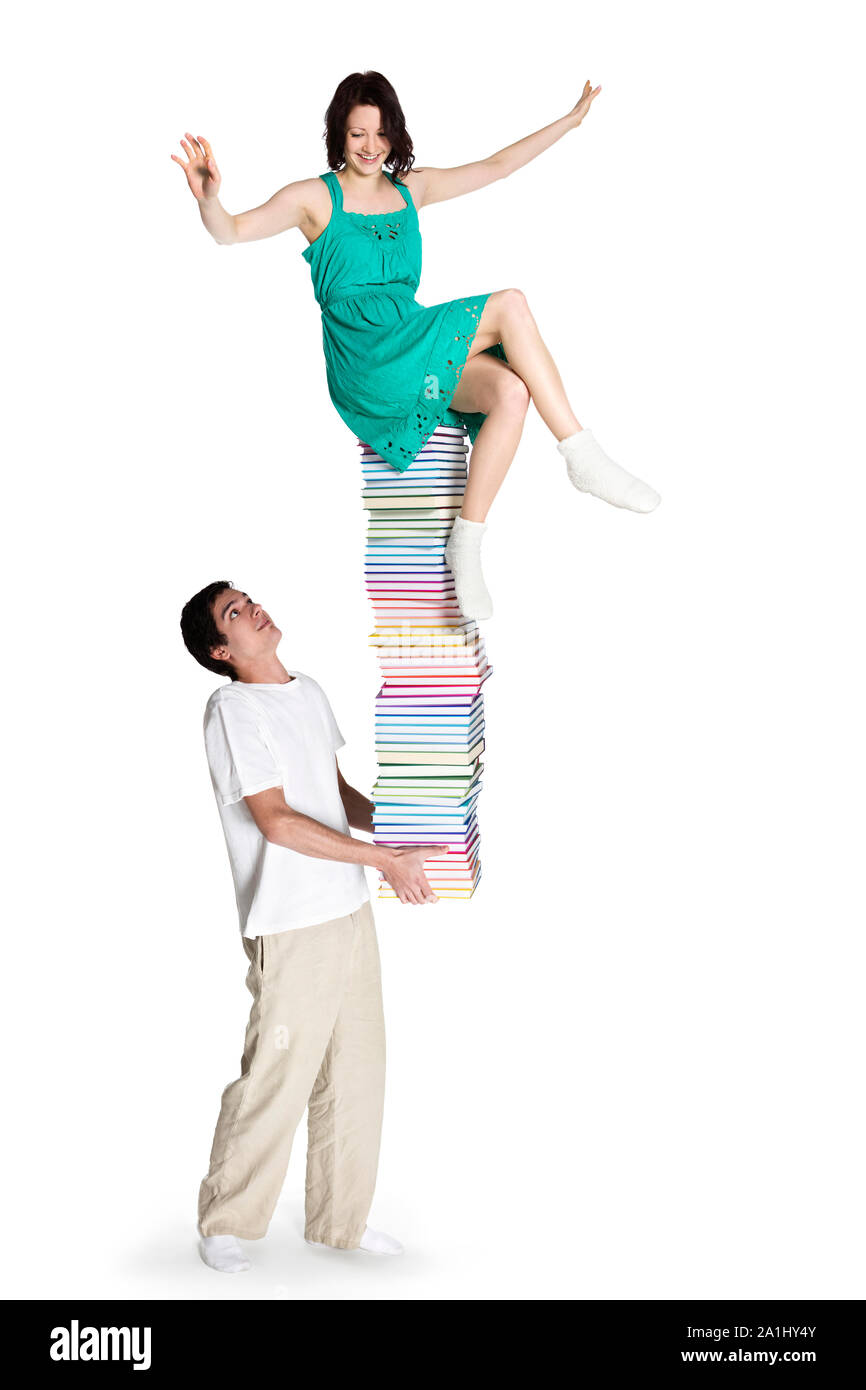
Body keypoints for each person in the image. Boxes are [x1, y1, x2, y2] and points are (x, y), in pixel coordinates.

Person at [172, 71, 661, 622]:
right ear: (339, 133)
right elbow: (230, 231)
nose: (371, 146)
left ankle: (467, 547)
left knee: (510, 391)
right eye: (358, 134)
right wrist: (210, 199)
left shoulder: (411, 189)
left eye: (381, 134)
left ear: (395, 134)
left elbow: (495, 166)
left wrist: (569, 123)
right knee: (511, 304)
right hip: (368, 359)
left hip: (411, 340)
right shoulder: (313, 198)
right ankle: (581, 454)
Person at [179, 580, 448, 1274]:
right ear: (220, 649)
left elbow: (330, 795)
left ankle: (341, 1221)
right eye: (234, 613)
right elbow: (276, 820)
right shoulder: (231, 709)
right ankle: (226, 1219)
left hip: (348, 908)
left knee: (358, 1072)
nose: (254, 608)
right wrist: (386, 860)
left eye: (248, 598)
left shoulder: (308, 690)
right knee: (277, 1073)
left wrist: (403, 828)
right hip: (291, 923)